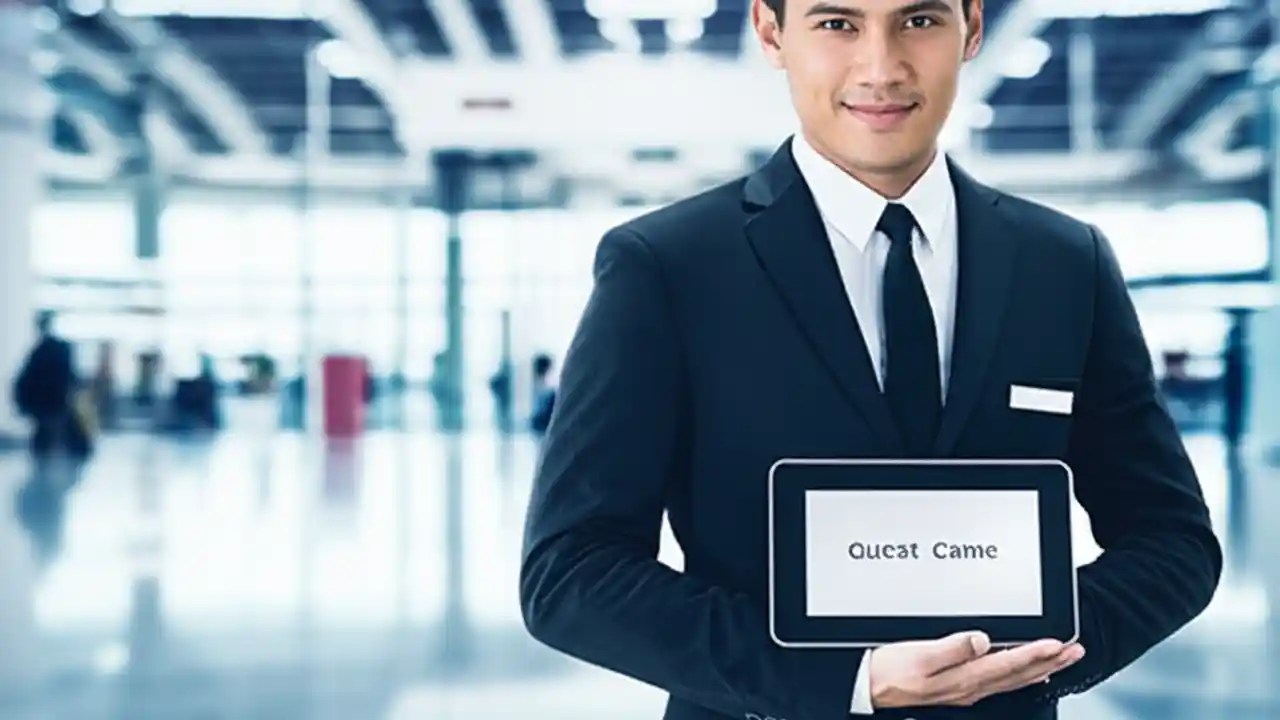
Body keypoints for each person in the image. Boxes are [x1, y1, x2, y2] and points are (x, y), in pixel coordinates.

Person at [519, 2, 1222, 720]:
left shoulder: (1065, 264)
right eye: (837, 24)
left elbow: (1173, 541)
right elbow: (571, 572)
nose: (882, 68)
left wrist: (1036, 655)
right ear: (770, 31)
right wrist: (845, 681)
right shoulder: (669, 267)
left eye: (918, 21)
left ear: (972, 28)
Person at [13, 311, 89, 460]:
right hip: (55, 403)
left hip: (47, 404)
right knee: (53, 435)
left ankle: (47, 463)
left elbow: (25, 380)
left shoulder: (41, 351)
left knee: (47, 437)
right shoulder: (59, 349)